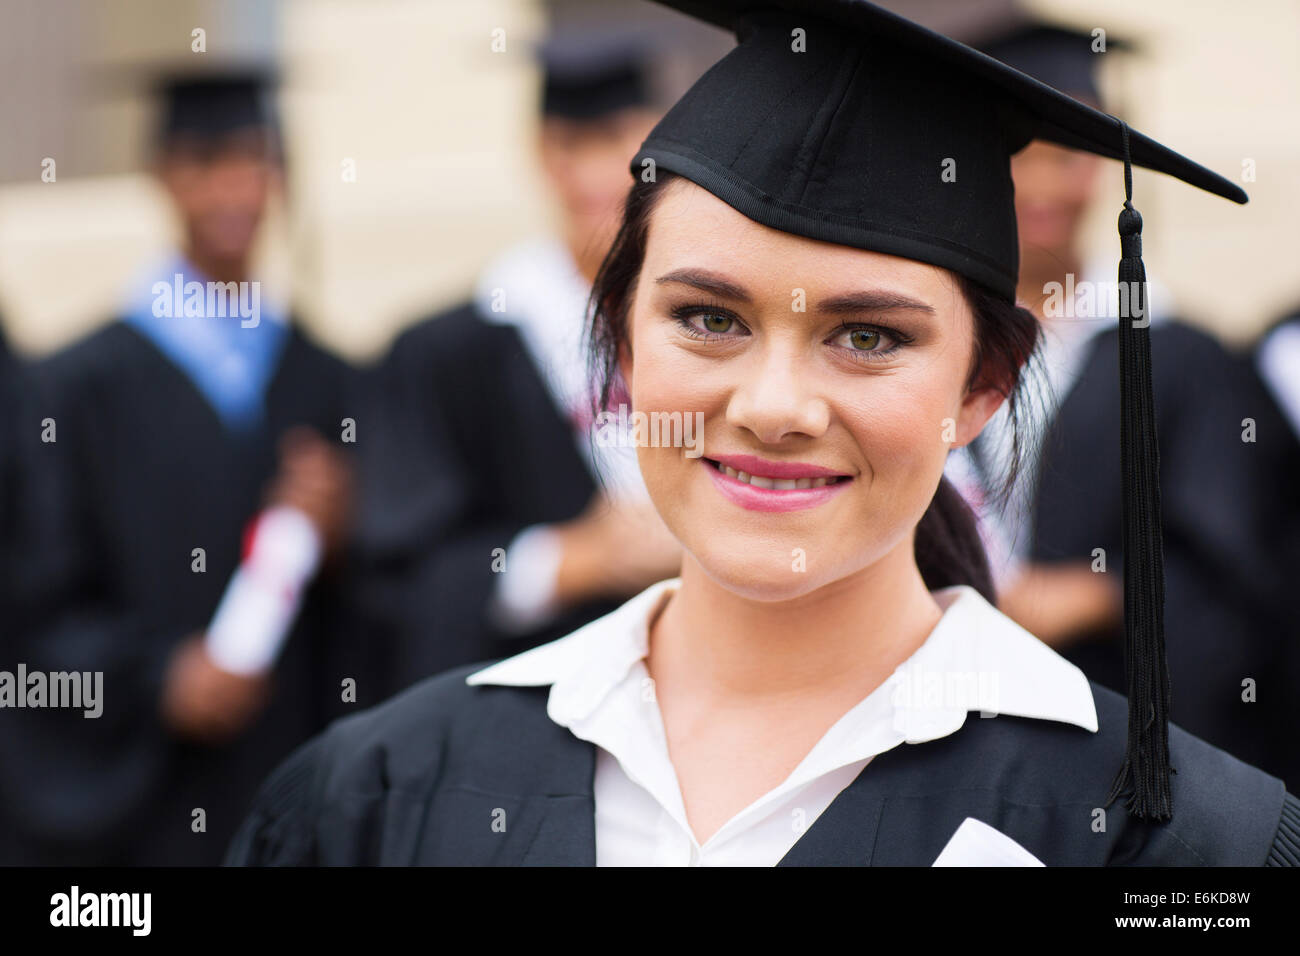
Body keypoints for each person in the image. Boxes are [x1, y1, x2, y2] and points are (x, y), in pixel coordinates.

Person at [228, 0, 1296, 866]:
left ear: (980, 386)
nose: (775, 404)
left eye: (868, 334)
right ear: (619, 345)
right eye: (708, 318)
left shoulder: (1181, 845)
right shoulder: (369, 802)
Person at [0, 70, 363, 865]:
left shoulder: (326, 377)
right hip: (143, 812)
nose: (232, 188)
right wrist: (158, 674)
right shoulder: (73, 389)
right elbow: (28, 605)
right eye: (205, 163)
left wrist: (341, 538)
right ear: (162, 176)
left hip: (292, 773)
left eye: (253, 161)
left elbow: (394, 598)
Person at [942, 21, 1300, 790]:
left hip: (1109, 740)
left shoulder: (1183, 359)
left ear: (1101, 169)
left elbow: (1247, 570)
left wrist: (1101, 594)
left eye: (1070, 155)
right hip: (943, 727)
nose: (1043, 186)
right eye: (1018, 158)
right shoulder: (920, 342)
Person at [355, 28, 681, 686]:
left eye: (616, 139)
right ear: (539, 154)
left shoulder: (714, 325)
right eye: (569, 146)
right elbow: (401, 575)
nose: (591, 174)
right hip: (543, 705)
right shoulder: (448, 353)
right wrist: (571, 560)